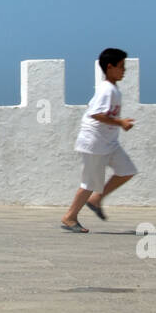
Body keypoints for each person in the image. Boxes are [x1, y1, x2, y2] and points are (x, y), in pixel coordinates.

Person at [61, 47, 137, 232]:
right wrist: (120, 122)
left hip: (109, 142)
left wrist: (118, 123)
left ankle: (96, 199)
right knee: (89, 183)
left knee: (127, 170)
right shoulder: (107, 90)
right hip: (94, 143)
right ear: (110, 67)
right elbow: (95, 113)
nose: (124, 70)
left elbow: (91, 107)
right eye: (121, 66)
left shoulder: (112, 89)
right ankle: (69, 218)